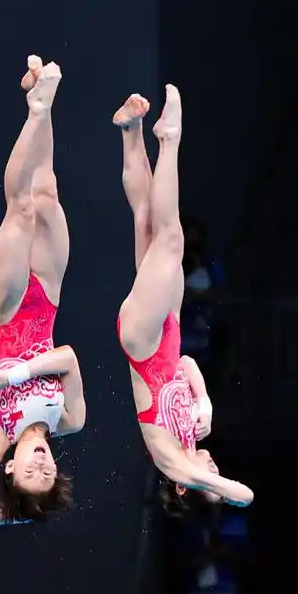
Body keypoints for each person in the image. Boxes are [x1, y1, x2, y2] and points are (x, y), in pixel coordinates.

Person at [113, 86, 253, 512]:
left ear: (180, 487)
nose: (213, 468)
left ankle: (168, 138)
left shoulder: (171, 461)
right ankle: (130, 129)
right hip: (166, 338)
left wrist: (220, 488)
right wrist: (205, 401)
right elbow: (188, 365)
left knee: (172, 238)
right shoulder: (191, 433)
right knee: (149, 223)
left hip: (144, 341)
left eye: (209, 479)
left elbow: (243, 495)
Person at [0, 56, 86, 526]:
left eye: (30, 474)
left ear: (9, 468)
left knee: (21, 210)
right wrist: (15, 378)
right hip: (47, 301)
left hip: (6, 308)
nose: (41, 465)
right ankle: (42, 98)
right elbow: (68, 358)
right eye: (48, 473)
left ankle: (37, 110)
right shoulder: (70, 419)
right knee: (47, 194)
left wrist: (23, 515)